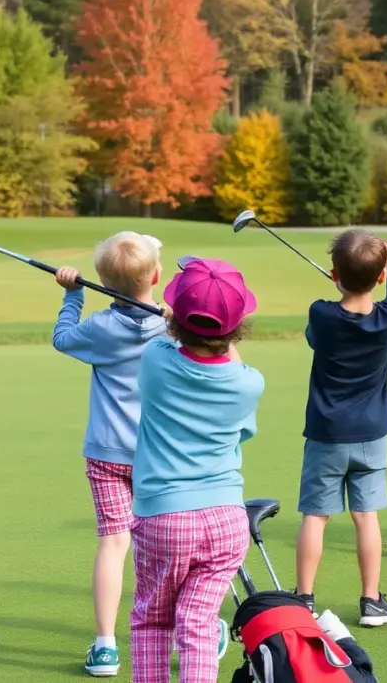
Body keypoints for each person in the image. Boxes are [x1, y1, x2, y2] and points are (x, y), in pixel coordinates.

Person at [52, 233, 229, 678]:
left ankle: (106, 645)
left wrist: (73, 297)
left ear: (102, 281)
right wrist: (174, 311)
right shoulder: (172, 330)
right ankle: (193, 626)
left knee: (114, 544)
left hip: (106, 453)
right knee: (164, 548)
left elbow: (62, 337)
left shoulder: (99, 328)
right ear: (155, 277)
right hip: (160, 457)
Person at [129, 258, 264, 683]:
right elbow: (231, 365)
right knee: (198, 625)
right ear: (237, 328)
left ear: (176, 324)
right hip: (226, 520)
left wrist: (173, 321)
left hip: (165, 519)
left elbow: (168, 343)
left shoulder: (155, 358)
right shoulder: (249, 383)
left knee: (153, 621)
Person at [293, 229, 387, 627]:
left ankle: (304, 599)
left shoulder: (320, 313)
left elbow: (314, 336)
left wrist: (337, 284)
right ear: (379, 277)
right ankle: (371, 600)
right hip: (371, 435)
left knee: (315, 516)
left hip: (326, 434)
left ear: (334, 274)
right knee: (366, 516)